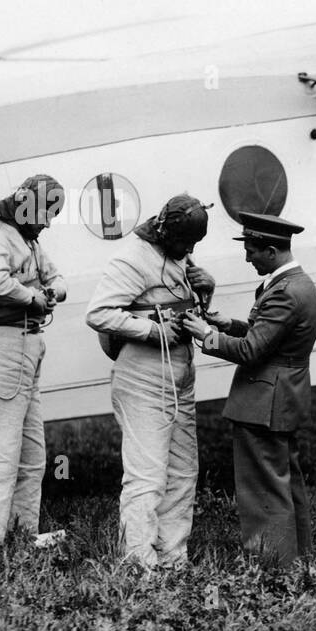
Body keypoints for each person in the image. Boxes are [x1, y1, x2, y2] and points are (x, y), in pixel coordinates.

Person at [181, 212, 316, 567]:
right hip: (281, 397)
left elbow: (251, 351)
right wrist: (229, 324)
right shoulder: (296, 284)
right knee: (284, 483)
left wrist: (206, 335)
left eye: (252, 251)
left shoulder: (284, 292)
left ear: (271, 250)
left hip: (264, 401)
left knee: (262, 489)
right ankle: (298, 556)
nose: (247, 258)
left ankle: (272, 565)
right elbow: (268, 336)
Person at [85, 194, 216, 570]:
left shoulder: (179, 254)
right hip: (142, 375)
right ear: (164, 230)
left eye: (194, 245)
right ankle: (139, 562)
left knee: (183, 470)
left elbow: (182, 302)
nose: (189, 250)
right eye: (184, 243)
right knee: (147, 474)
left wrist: (206, 288)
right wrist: (152, 330)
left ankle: (174, 556)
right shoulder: (132, 258)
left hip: (179, 374)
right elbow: (99, 313)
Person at [0, 174, 67, 547]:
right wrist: (34, 297)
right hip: (4, 346)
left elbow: (58, 280)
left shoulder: (27, 240)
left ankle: (21, 534)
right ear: (24, 205)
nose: (48, 222)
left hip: (28, 346)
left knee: (32, 452)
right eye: (44, 213)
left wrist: (52, 291)